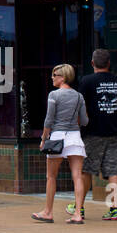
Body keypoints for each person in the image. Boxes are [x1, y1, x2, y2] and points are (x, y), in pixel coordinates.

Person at [70, 48, 117, 221]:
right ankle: (114, 209)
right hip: (114, 132)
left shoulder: (86, 81)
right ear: (109, 63)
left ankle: (79, 208)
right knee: (113, 171)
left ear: (92, 63)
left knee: (86, 171)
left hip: (92, 134)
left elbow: (81, 108)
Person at [32, 63, 88, 224]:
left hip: (57, 137)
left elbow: (49, 120)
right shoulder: (79, 96)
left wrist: (43, 139)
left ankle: (48, 212)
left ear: (62, 77)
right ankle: (78, 214)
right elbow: (84, 121)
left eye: (54, 75)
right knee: (77, 176)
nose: (52, 78)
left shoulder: (54, 95)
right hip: (75, 137)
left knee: (51, 176)